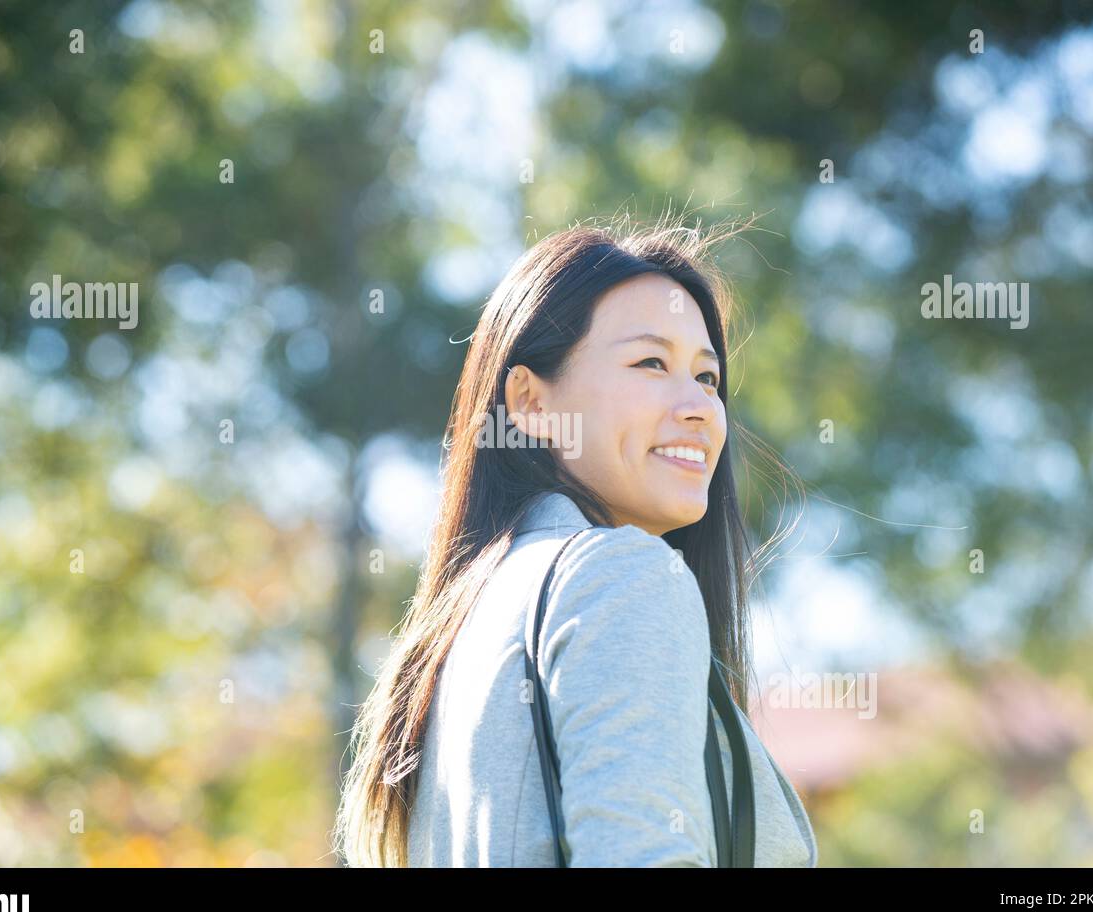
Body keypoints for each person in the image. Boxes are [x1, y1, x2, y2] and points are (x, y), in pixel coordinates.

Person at [334, 212, 818, 867]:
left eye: (707, 377)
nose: (701, 407)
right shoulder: (622, 579)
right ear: (532, 402)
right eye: (651, 362)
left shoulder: (459, 634)